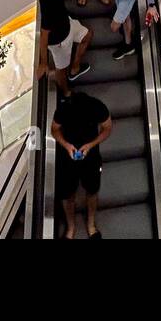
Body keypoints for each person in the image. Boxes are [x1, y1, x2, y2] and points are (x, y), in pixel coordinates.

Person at [52, 90, 112, 239]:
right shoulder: (64, 109)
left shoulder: (97, 107)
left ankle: (91, 224)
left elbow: (107, 127)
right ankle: (71, 227)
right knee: (67, 193)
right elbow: (54, 129)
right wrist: (66, 146)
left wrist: (90, 145)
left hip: (91, 157)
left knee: (92, 190)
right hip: (66, 156)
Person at [35, 0, 92, 96]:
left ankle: (75, 68)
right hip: (59, 43)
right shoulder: (49, 10)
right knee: (61, 69)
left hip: (68, 23)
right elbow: (43, 36)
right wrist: (44, 63)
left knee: (87, 35)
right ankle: (66, 93)